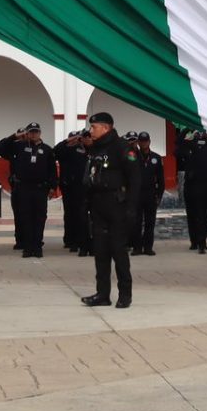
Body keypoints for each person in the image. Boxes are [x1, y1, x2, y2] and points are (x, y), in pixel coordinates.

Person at [79, 113, 137, 308]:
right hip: (98, 205)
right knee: (101, 251)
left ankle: (125, 294)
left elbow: (135, 179)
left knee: (118, 250)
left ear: (105, 128)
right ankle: (102, 294)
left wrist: (131, 207)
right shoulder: (95, 148)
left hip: (117, 205)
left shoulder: (122, 147)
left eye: (94, 127)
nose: (91, 130)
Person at [0, 123, 54, 257]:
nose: (33, 134)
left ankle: (37, 246)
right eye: (31, 132)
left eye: (36, 132)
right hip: (23, 188)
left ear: (40, 133)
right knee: (24, 217)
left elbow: (52, 170)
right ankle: (27, 247)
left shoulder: (47, 149)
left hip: (40, 188)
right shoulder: (19, 146)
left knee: (39, 218)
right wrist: (15, 136)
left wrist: (52, 187)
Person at [132, 133, 165, 256]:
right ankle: (137, 248)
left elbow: (161, 180)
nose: (144, 143)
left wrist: (159, 196)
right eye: (141, 141)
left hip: (151, 195)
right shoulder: (133, 157)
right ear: (138, 142)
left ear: (149, 142)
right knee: (136, 222)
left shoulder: (156, 158)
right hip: (137, 194)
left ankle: (148, 247)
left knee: (150, 223)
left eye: (146, 141)